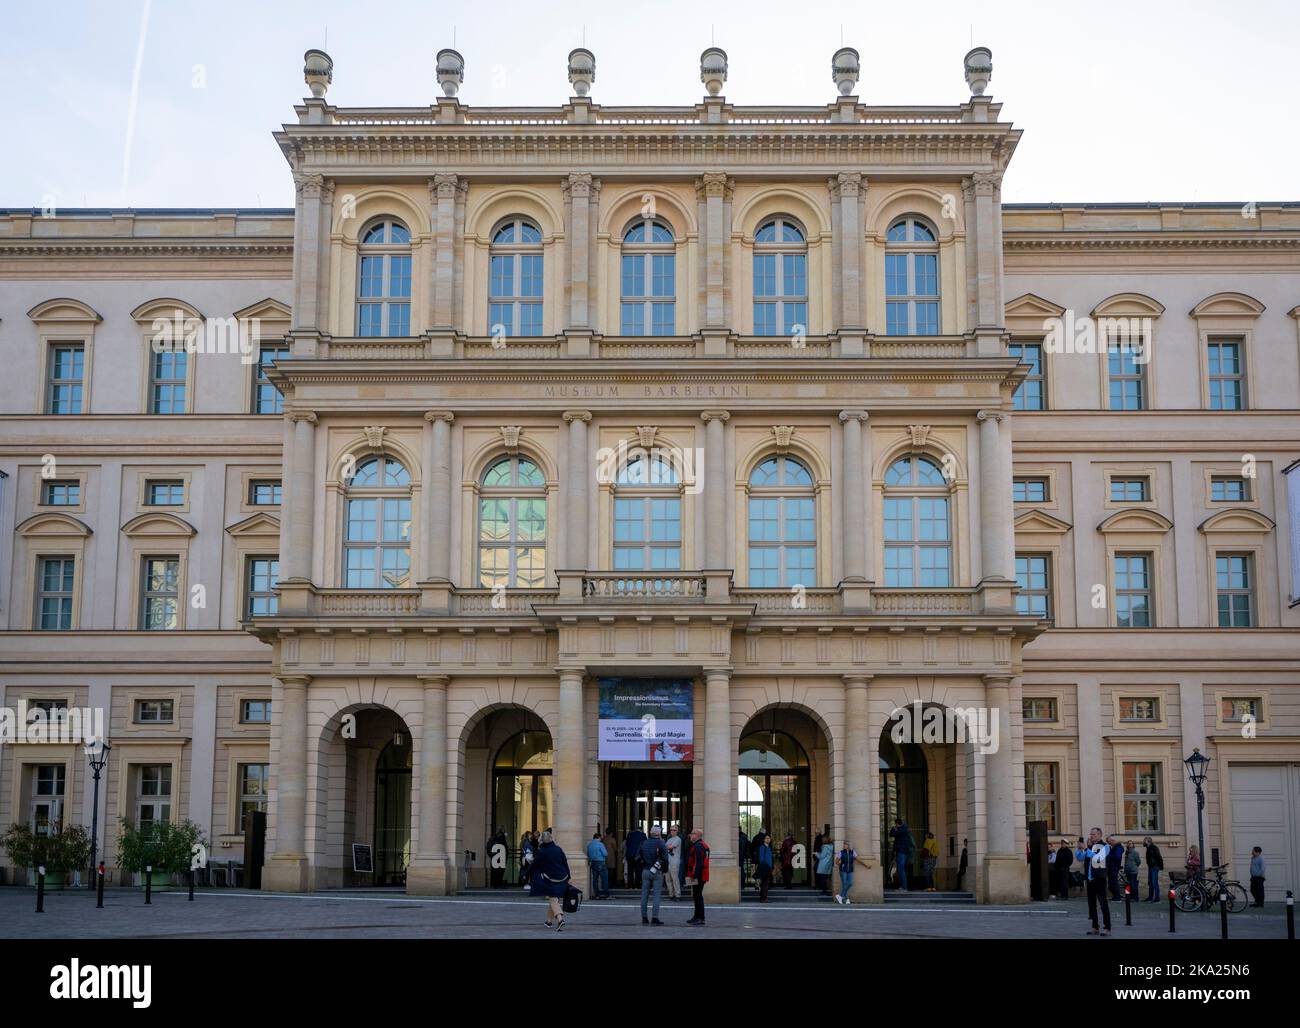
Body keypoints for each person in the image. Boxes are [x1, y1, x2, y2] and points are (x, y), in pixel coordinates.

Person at [530, 829, 572, 931]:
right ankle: (548, 921)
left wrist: (525, 875)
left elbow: (534, 865)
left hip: (551, 879)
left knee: (553, 899)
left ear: (542, 841)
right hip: (563, 877)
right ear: (551, 839)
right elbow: (565, 863)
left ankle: (560, 919)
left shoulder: (542, 852)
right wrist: (569, 876)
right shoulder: (558, 849)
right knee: (554, 899)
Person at [1083, 827, 1112, 936]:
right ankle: (1095, 927)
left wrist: (1087, 850)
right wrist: (1081, 849)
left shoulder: (1106, 847)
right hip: (1090, 879)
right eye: (1090, 834)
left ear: (1099, 835)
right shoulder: (1091, 847)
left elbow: (1097, 858)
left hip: (1099, 879)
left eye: (1093, 834)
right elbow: (1081, 857)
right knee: (1091, 905)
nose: (1091, 836)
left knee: (1103, 904)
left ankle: (1107, 928)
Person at [639, 825, 669, 925]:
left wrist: (643, 865)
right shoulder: (660, 843)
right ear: (659, 833)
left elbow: (638, 856)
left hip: (645, 870)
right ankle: (655, 918)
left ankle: (644, 918)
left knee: (644, 895)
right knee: (656, 895)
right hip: (657, 871)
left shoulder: (644, 842)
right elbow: (665, 859)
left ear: (651, 832)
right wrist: (664, 870)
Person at [684, 827, 710, 926]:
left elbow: (699, 862)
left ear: (697, 835)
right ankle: (697, 917)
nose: (690, 835)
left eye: (692, 833)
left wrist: (694, 875)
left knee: (698, 896)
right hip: (700, 875)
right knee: (696, 896)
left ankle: (700, 918)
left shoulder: (699, 846)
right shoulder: (702, 845)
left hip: (698, 875)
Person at [889, 818, 914, 892]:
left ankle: (904, 887)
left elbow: (892, 834)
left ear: (897, 824)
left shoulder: (902, 829)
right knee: (901, 869)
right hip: (904, 852)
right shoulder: (905, 829)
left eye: (895, 824)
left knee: (900, 869)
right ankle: (903, 886)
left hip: (901, 852)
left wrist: (894, 828)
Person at [586, 831, 609, 899]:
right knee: (604, 879)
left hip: (593, 863)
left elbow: (588, 854)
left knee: (595, 880)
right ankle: (606, 894)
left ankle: (597, 895)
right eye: (600, 838)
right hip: (601, 862)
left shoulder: (589, 845)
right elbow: (605, 854)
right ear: (599, 837)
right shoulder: (600, 844)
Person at [664, 825, 683, 901]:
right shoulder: (669, 839)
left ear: (677, 831)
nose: (672, 831)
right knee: (668, 879)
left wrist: (667, 846)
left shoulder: (678, 839)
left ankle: (677, 895)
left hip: (674, 861)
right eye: (671, 830)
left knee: (675, 878)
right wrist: (667, 846)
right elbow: (665, 847)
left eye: (674, 830)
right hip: (668, 861)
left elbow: (670, 847)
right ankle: (671, 894)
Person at [624, 825, 646, 889]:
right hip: (638, 856)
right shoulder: (643, 835)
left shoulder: (630, 834)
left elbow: (627, 844)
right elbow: (644, 845)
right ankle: (637, 885)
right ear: (641, 830)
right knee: (638, 871)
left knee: (630, 871)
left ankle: (630, 885)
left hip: (629, 855)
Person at [1142, 836, 1163, 902]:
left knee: (1154, 882)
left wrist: (1160, 866)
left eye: (1144, 840)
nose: (1143, 842)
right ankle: (1150, 897)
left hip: (1154, 866)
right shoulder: (1148, 848)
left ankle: (1157, 898)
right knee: (1150, 882)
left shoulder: (1154, 848)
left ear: (1148, 841)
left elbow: (1159, 857)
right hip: (1151, 866)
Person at [756, 833, 775, 901]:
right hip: (765, 868)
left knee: (766, 884)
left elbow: (770, 858)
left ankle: (764, 897)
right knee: (764, 884)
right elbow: (761, 859)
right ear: (764, 840)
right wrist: (766, 867)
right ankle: (763, 898)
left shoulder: (769, 848)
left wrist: (772, 867)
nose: (768, 839)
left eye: (769, 838)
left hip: (769, 868)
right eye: (766, 838)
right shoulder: (762, 847)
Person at [1105, 835, 1124, 901]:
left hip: (1114, 867)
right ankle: (1115, 896)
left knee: (1113, 882)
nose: (1108, 843)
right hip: (1112, 867)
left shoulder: (1118, 847)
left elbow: (1117, 857)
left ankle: (1117, 897)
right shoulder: (1114, 847)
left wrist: (1109, 856)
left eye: (1109, 842)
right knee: (1111, 883)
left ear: (1112, 840)